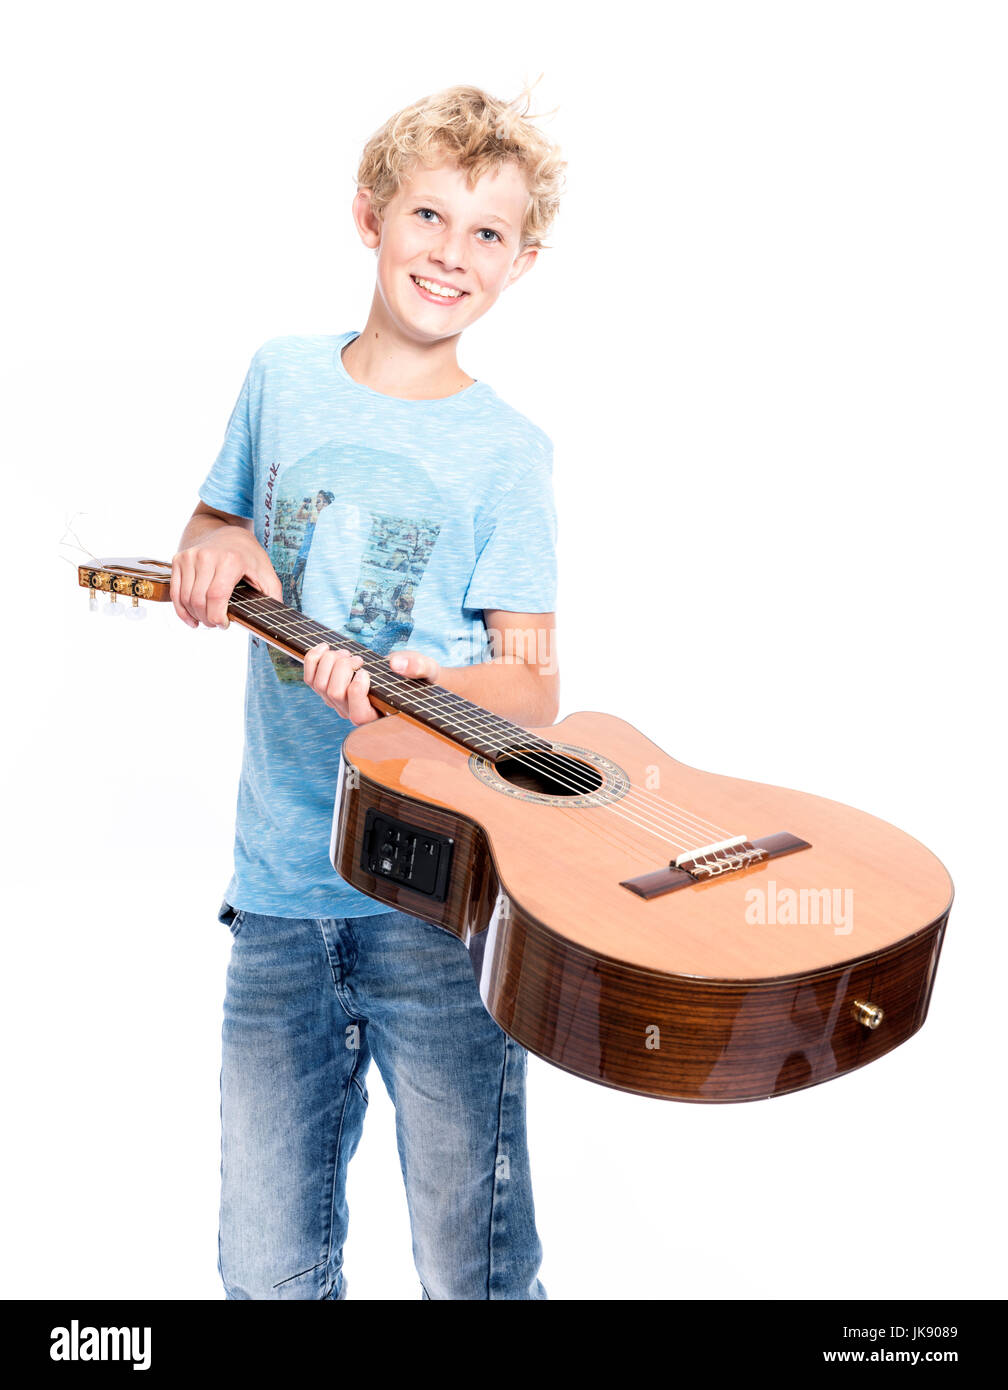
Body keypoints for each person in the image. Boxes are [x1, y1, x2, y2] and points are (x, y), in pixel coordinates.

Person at [169, 84, 565, 1301]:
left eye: (485, 233)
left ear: (522, 259)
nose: (451, 253)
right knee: (266, 1269)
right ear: (369, 217)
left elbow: (538, 685)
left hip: (440, 902)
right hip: (280, 893)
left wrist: (431, 684)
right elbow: (216, 529)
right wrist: (213, 549)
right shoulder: (282, 377)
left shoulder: (509, 450)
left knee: (476, 1266)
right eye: (429, 216)